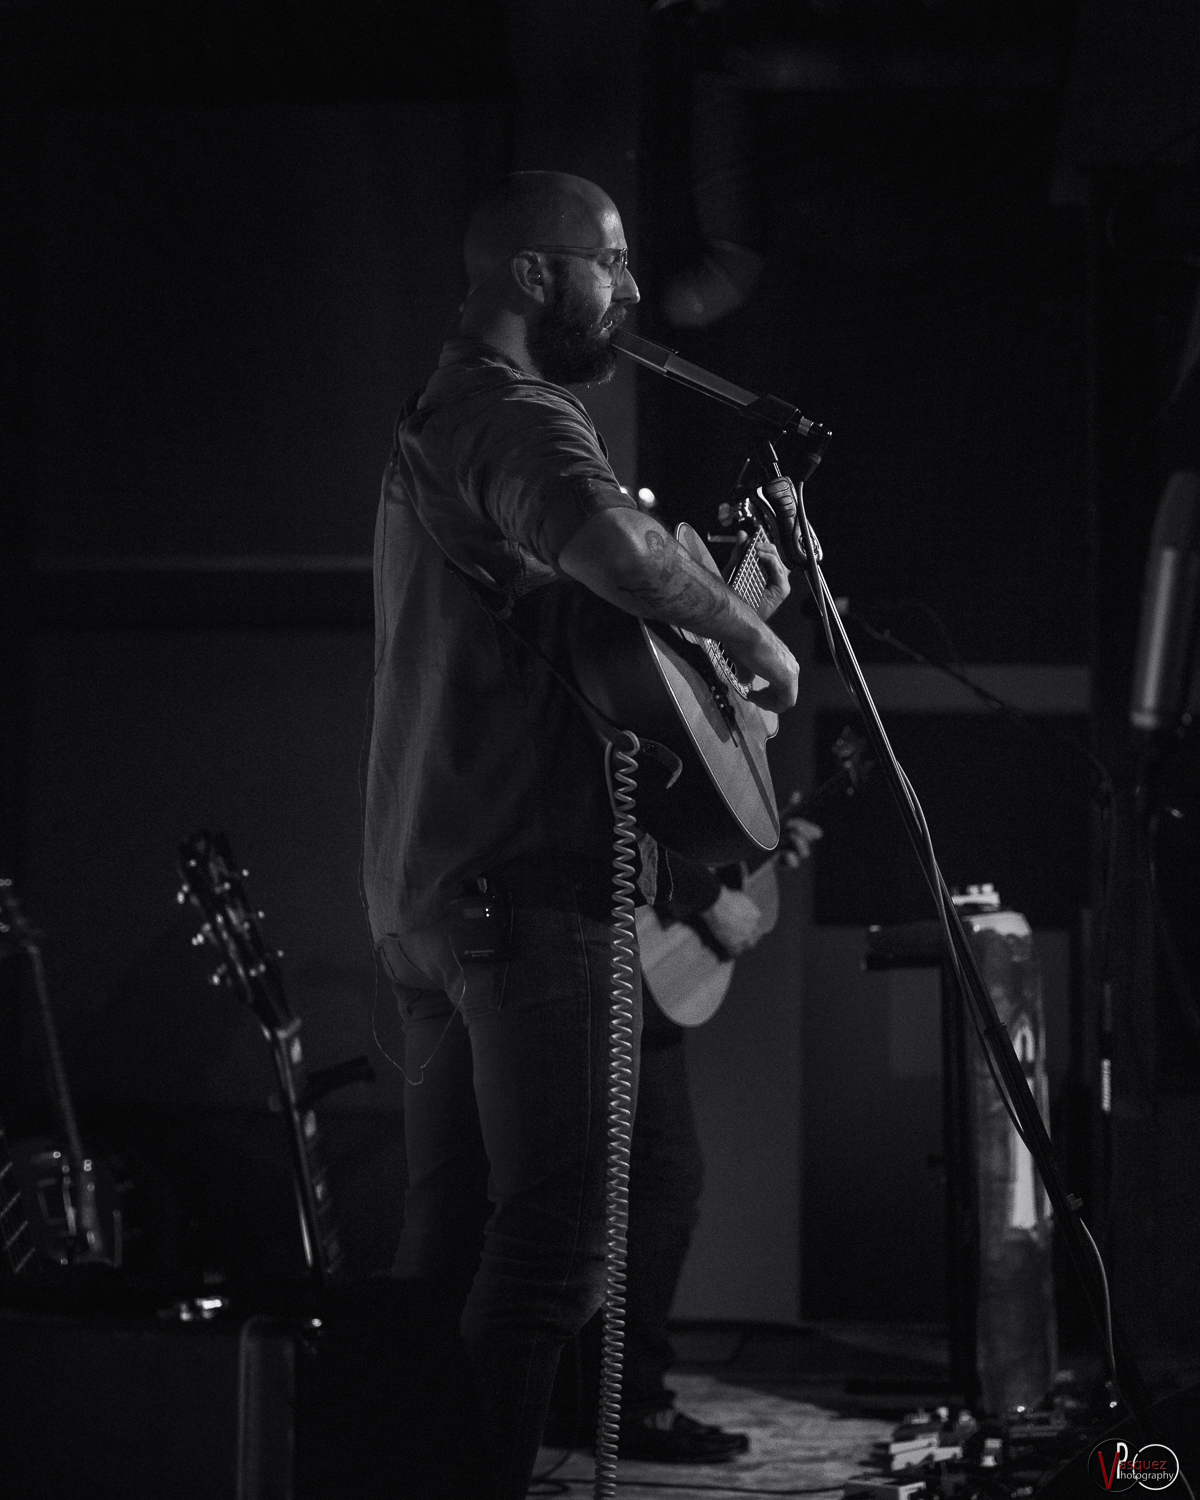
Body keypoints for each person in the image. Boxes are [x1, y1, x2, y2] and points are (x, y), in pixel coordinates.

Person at [362, 169, 798, 1499]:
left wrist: (698, 674)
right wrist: (752, 634)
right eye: (609, 261)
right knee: (561, 1242)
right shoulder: (515, 414)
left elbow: (587, 641)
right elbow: (613, 547)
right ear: (538, 273)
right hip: (524, 893)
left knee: (446, 1241)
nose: (627, 292)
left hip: (434, 892)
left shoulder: (445, 424)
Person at [547, 818, 822, 1465]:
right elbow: (613, 824)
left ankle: (593, 1398)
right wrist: (709, 897)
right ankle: (625, 1404)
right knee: (653, 1181)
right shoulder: (630, 724)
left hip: (614, 967)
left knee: (631, 1185)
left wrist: (752, 865)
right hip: (590, 950)